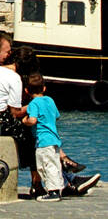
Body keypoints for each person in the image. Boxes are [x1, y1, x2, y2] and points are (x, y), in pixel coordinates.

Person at [0, 42, 41, 196]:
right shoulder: (14, 77)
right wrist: (32, 105)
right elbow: (15, 112)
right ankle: (36, 182)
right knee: (31, 136)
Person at [22, 74, 64, 202]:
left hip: (43, 140)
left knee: (45, 166)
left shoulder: (33, 104)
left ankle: (53, 192)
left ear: (26, 91)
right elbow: (57, 115)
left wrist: (25, 121)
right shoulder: (50, 100)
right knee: (54, 164)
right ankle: (57, 189)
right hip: (54, 139)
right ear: (44, 88)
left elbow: (33, 120)